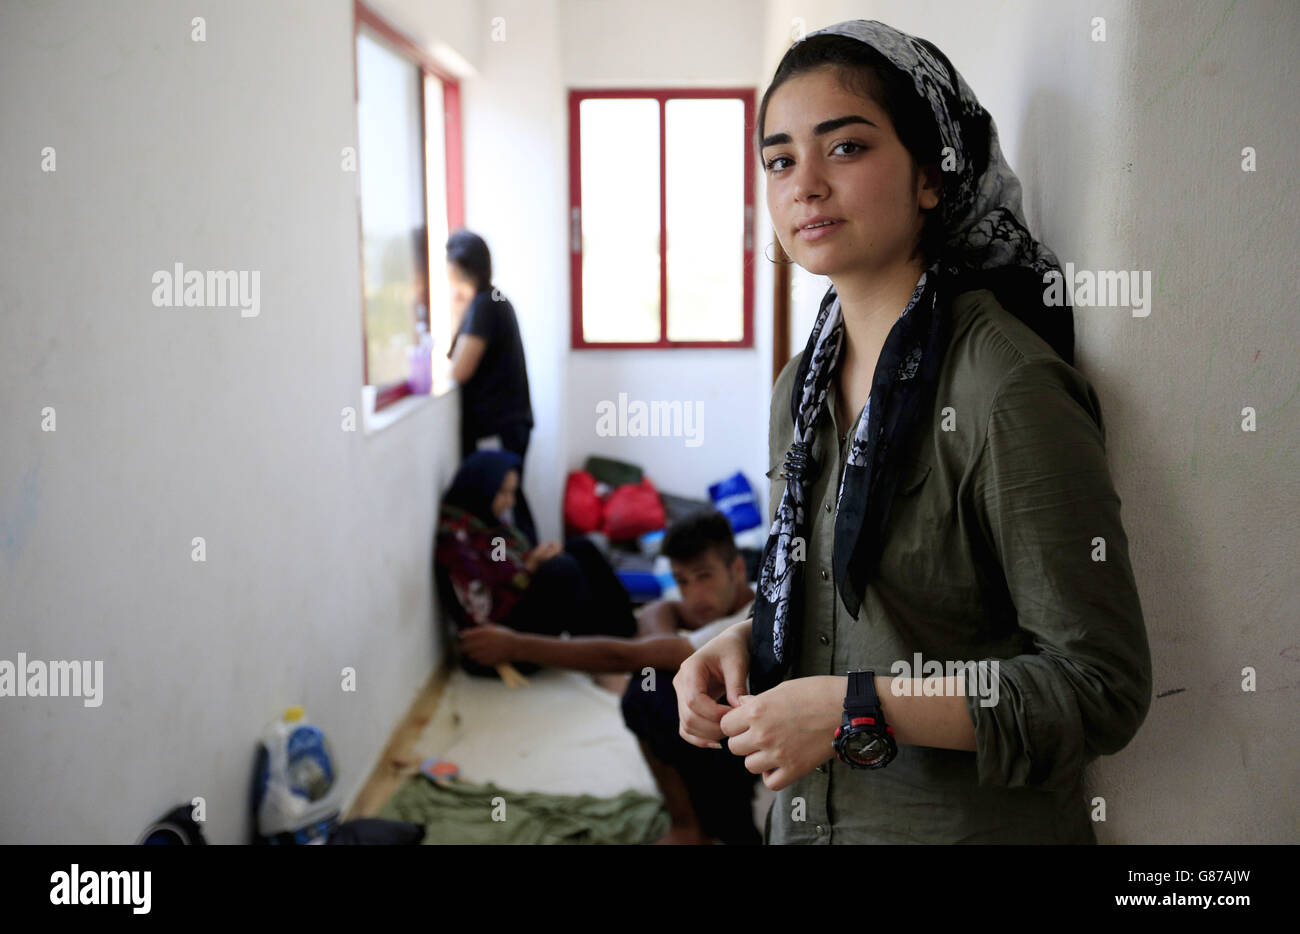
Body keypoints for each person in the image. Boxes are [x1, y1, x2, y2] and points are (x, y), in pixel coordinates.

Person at [675, 20, 1152, 844]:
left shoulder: (1005, 386)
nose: (806, 185)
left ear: (931, 176)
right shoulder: (802, 384)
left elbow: (1098, 687)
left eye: (847, 148)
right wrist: (746, 636)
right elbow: (867, 606)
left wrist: (856, 707)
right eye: (780, 159)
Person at [460, 510, 760, 845]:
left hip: (746, 750)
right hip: (721, 725)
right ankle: (690, 824)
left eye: (704, 576)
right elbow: (659, 611)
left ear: (736, 568)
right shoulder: (726, 599)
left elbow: (623, 655)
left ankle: (695, 827)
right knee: (585, 552)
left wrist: (515, 646)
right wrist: (657, 645)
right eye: (682, 581)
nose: (693, 594)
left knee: (644, 695)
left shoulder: (742, 620)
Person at [434, 450, 635, 678]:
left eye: (512, 493)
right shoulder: (458, 544)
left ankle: (624, 634)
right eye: (502, 493)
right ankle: (598, 654)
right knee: (561, 571)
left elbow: (503, 566)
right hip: (498, 651)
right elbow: (486, 613)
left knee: (582, 547)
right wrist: (530, 568)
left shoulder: (486, 526)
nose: (509, 502)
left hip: (517, 619)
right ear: (481, 487)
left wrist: (531, 560)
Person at [447, 229, 537, 545]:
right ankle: (528, 568)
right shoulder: (494, 299)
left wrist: (458, 312)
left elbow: (460, 369)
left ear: (456, 267)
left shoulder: (485, 305)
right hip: (510, 421)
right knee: (510, 500)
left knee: (503, 505)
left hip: (497, 425)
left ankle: (523, 572)